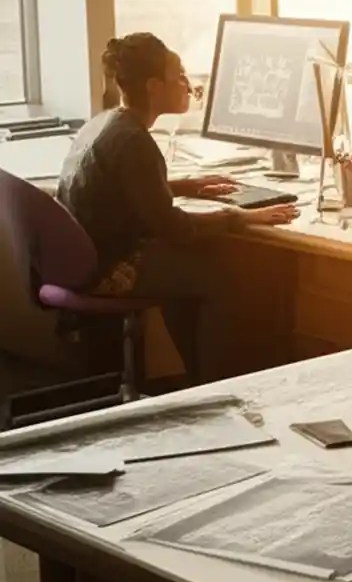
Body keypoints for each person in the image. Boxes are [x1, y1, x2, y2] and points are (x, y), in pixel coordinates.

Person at [57, 33, 299, 383]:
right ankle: (217, 389)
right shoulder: (135, 142)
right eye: (179, 76)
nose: (186, 84)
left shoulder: (107, 122)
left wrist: (188, 185)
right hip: (110, 268)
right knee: (219, 279)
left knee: (186, 269)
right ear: (155, 87)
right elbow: (175, 228)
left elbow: (122, 191)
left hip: (88, 256)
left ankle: (198, 376)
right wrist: (240, 217)